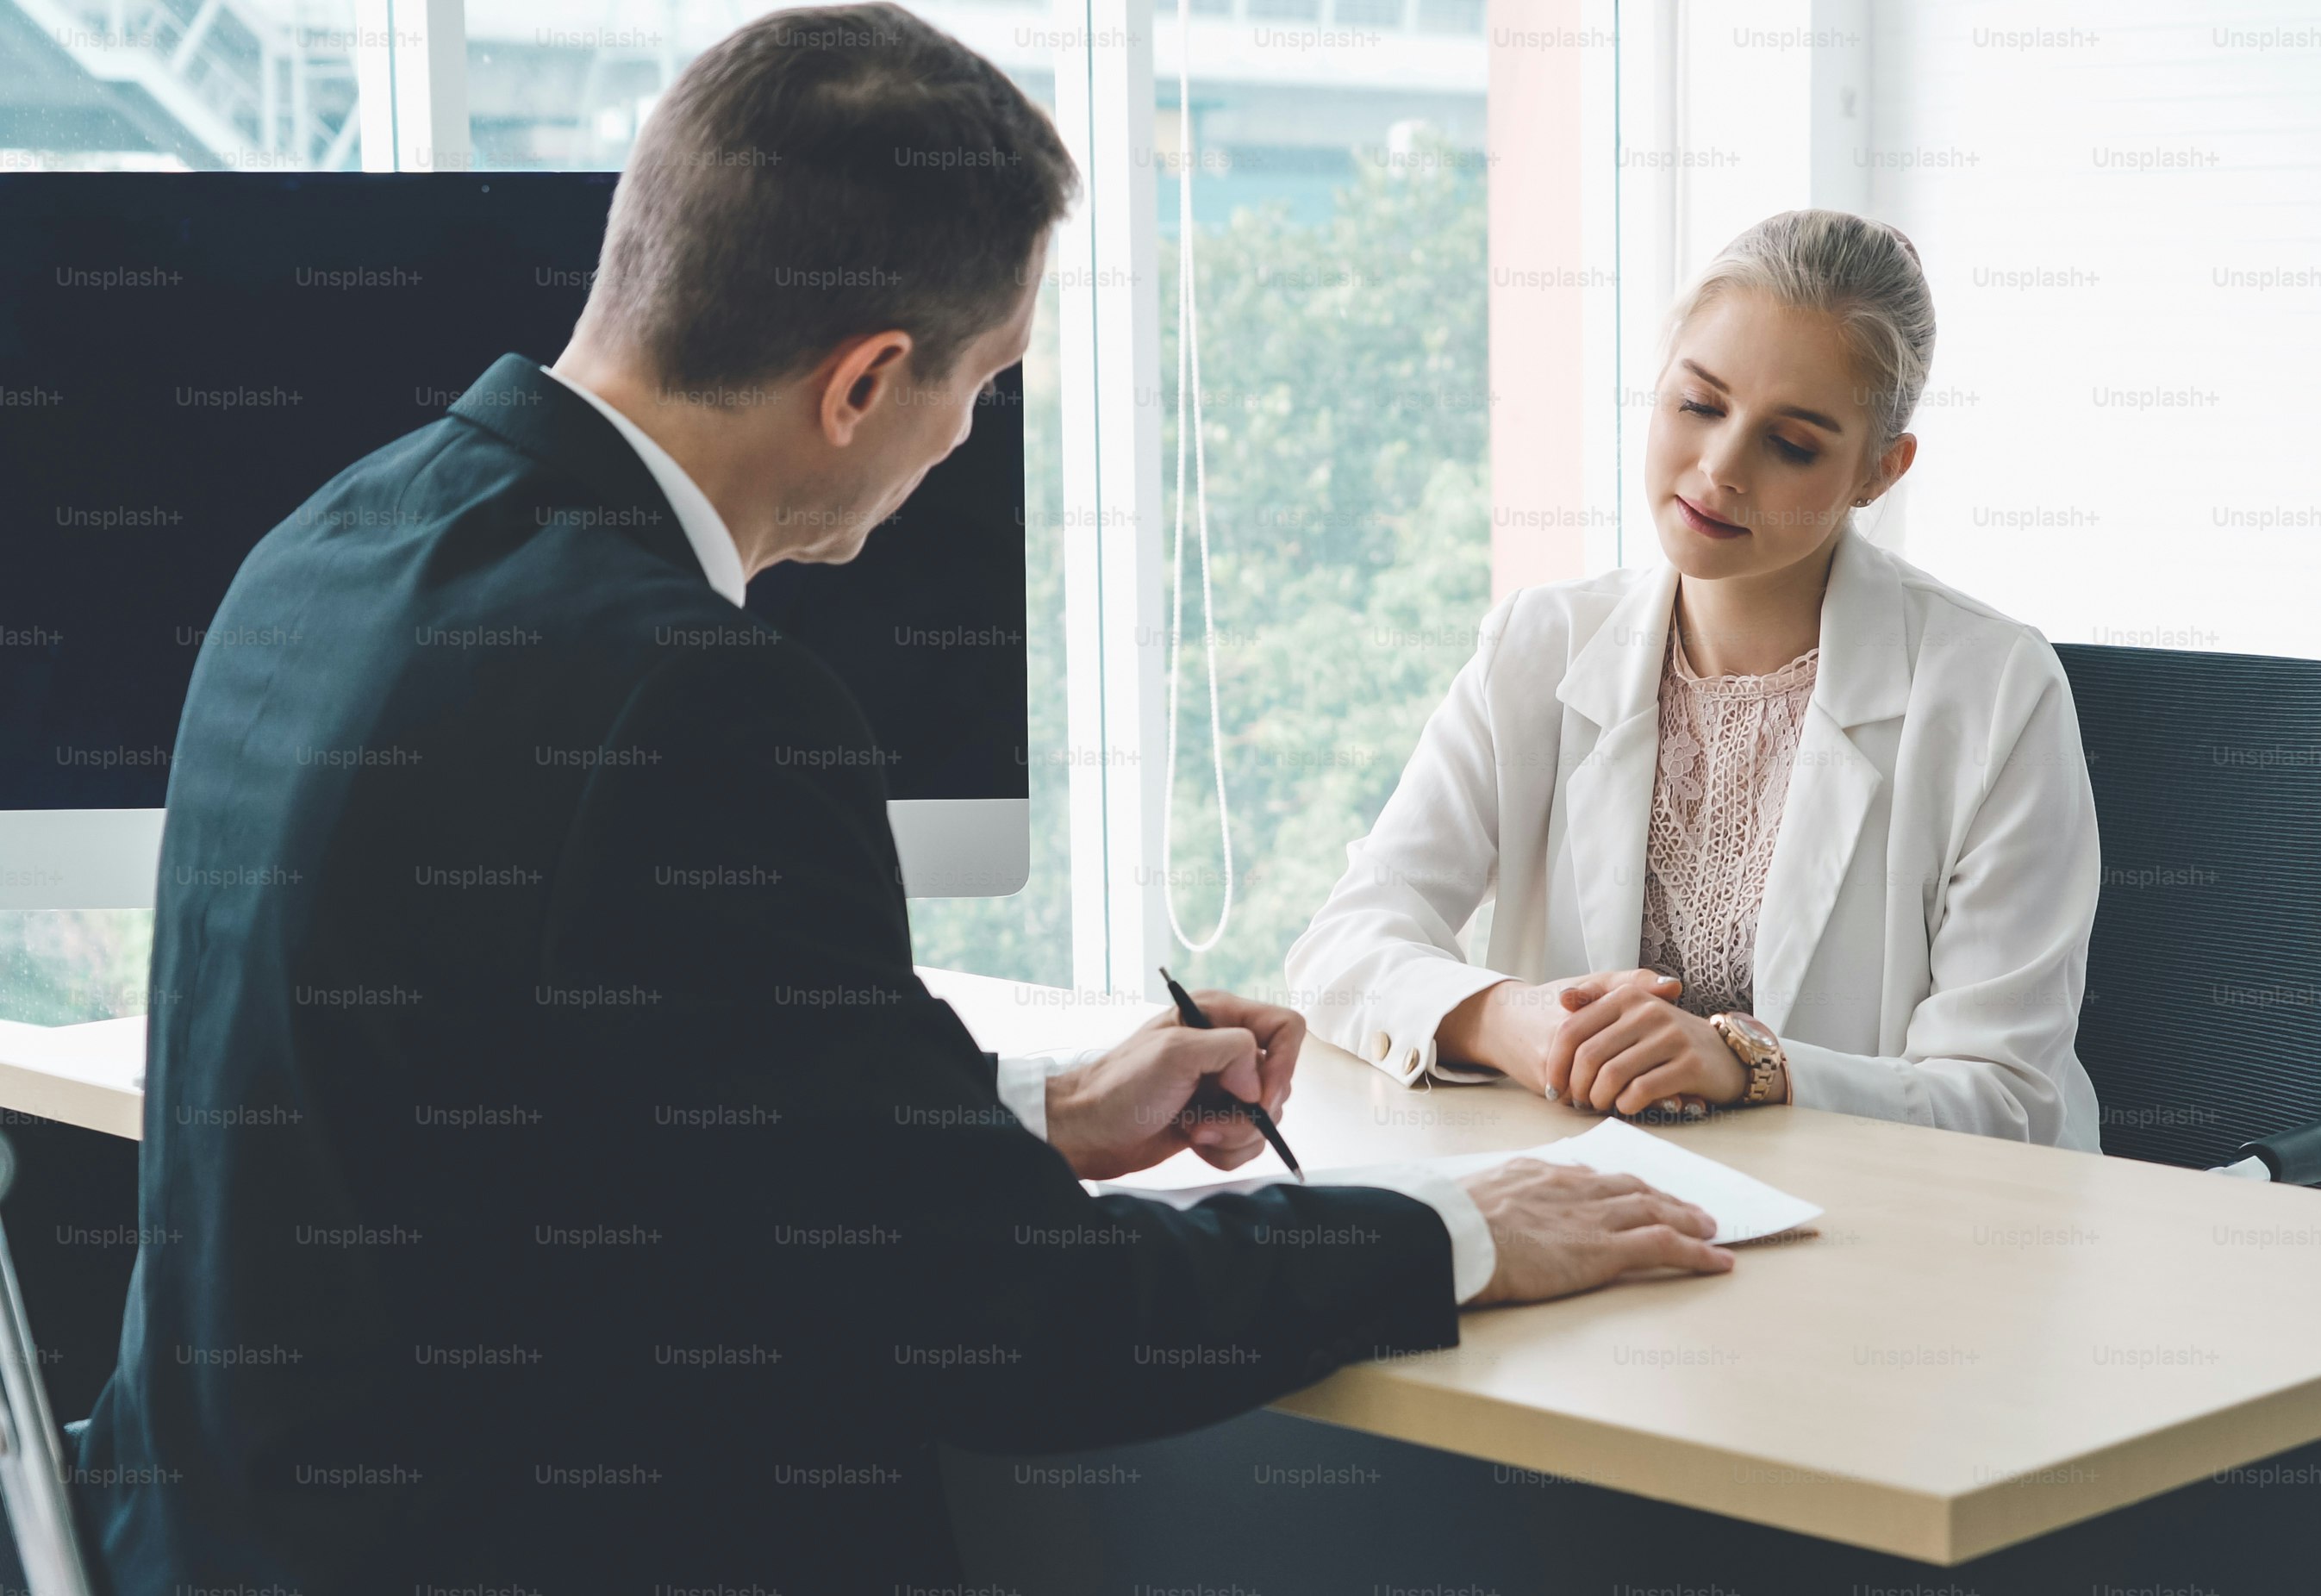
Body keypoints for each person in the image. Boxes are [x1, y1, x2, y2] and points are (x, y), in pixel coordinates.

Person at [68, 9, 1729, 1588]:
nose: (964, 434)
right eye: (980, 383)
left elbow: (580, 1090)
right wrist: (1455, 1231)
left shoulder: (336, 536)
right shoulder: (700, 699)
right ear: (864, 381)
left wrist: (1033, 1114)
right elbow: (1000, 1323)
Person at [1287, 210, 2102, 1148]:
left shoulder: (1996, 691)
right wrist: (1513, 1019)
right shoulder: (1537, 642)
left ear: (1880, 471)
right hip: (1596, 1200)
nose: (1718, 471)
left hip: (1892, 1232)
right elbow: (1339, 947)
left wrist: (1748, 1065)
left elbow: (2006, 1099)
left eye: (1790, 444)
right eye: (1698, 405)